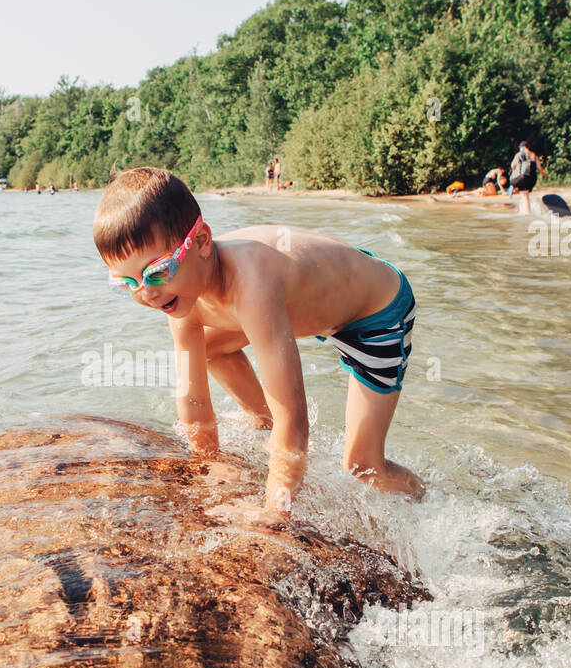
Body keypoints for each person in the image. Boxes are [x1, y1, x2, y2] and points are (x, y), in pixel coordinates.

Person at [94, 167, 424, 511]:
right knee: (209, 349)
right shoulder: (179, 293)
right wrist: (204, 476)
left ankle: (424, 500)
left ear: (203, 242)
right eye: (126, 283)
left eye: (157, 271)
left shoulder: (251, 282)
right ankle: (261, 420)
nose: (146, 293)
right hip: (319, 295)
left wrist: (274, 512)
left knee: (362, 467)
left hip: (375, 315)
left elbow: (295, 420)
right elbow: (193, 411)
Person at [509, 141, 545, 214]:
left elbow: (512, 165)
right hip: (532, 178)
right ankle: (533, 209)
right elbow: (539, 168)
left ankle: (527, 213)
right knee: (527, 195)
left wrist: (514, 172)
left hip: (523, 177)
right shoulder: (534, 155)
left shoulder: (519, 154)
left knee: (524, 196)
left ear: (521, 147)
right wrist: (544, 174)